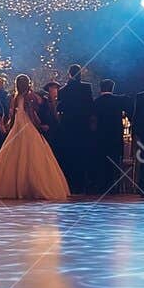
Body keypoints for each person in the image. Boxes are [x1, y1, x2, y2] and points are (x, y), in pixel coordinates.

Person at [0, 74, 70, 201]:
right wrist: (39, 126)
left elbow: (13, 116)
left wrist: (9, 128)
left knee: (13, 155)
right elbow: (32, 114)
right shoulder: (30, 97)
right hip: (27, 126)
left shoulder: (15, 97)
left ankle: (15, 187)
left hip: (17, 127)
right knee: (34, 154)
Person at [57, 64, 95, 192]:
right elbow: (90, 106)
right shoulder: (86, 88)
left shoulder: (63, 90)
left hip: (67, 127)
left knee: (69, 154)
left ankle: (70, 183)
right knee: (83, 155)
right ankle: (82, 183)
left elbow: (60, 108)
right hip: (83, 126)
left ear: (69, 74)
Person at [91, 79, 130, 194]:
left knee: (101, 161)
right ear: (112, 88)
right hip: (115, 136)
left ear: (101, 88)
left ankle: (101, 186)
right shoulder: (118, 101)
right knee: (115, 161)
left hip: (101, 137)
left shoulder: (96, 102)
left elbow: (93, 120)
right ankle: (113, 187)